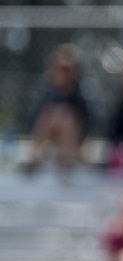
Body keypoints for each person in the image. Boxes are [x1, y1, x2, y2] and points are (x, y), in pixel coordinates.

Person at [23, 44, 90, 176]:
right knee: (50, 115)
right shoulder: (47, 89)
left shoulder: (81, 90)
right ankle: (35, 158)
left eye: (65, 70)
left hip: (73, 136)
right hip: (49, 133)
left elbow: (87, 119)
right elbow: (35, 116)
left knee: (66, 117)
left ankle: (66, 163)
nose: (61, 74)